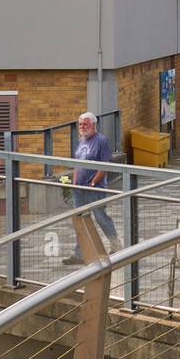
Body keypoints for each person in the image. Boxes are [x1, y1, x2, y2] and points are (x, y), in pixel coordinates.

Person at [63, 112, 120, 265]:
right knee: (80, 220)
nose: (82, 127)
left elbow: (105, 165)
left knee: (101, 217)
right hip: (79, 189)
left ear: (93, 125)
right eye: (80, 124)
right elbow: (77, 163)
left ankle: (116, 246)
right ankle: (80, 253)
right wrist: (74, 182)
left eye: (85, 124)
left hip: (95, 189)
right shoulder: (81, 140)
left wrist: (93, 182)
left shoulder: (101, 140)